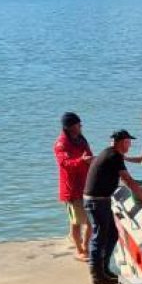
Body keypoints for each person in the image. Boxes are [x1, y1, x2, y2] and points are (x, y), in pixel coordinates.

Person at [83, 130, 142, 284]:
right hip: (96, 201)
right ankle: (96, 275)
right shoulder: (115, 156)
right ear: (122, 142)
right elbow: (128, 180)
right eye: (129, 142)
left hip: (100, 200)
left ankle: (104, 269)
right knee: (99, 237)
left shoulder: (108, 153)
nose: (130, 145)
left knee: (112, 234)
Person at [53, 112, 93, 261]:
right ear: (69, 127)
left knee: (90, 220)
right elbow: (64, 164)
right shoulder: (61, 144)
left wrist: (91, 161)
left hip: (87, 185)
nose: (80, 126)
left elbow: (88, 155)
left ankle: (86, 245)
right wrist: (82, 161)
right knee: (76, 222)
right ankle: (79, 249)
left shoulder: (81, 140)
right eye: (77, 124)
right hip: (72, 189)